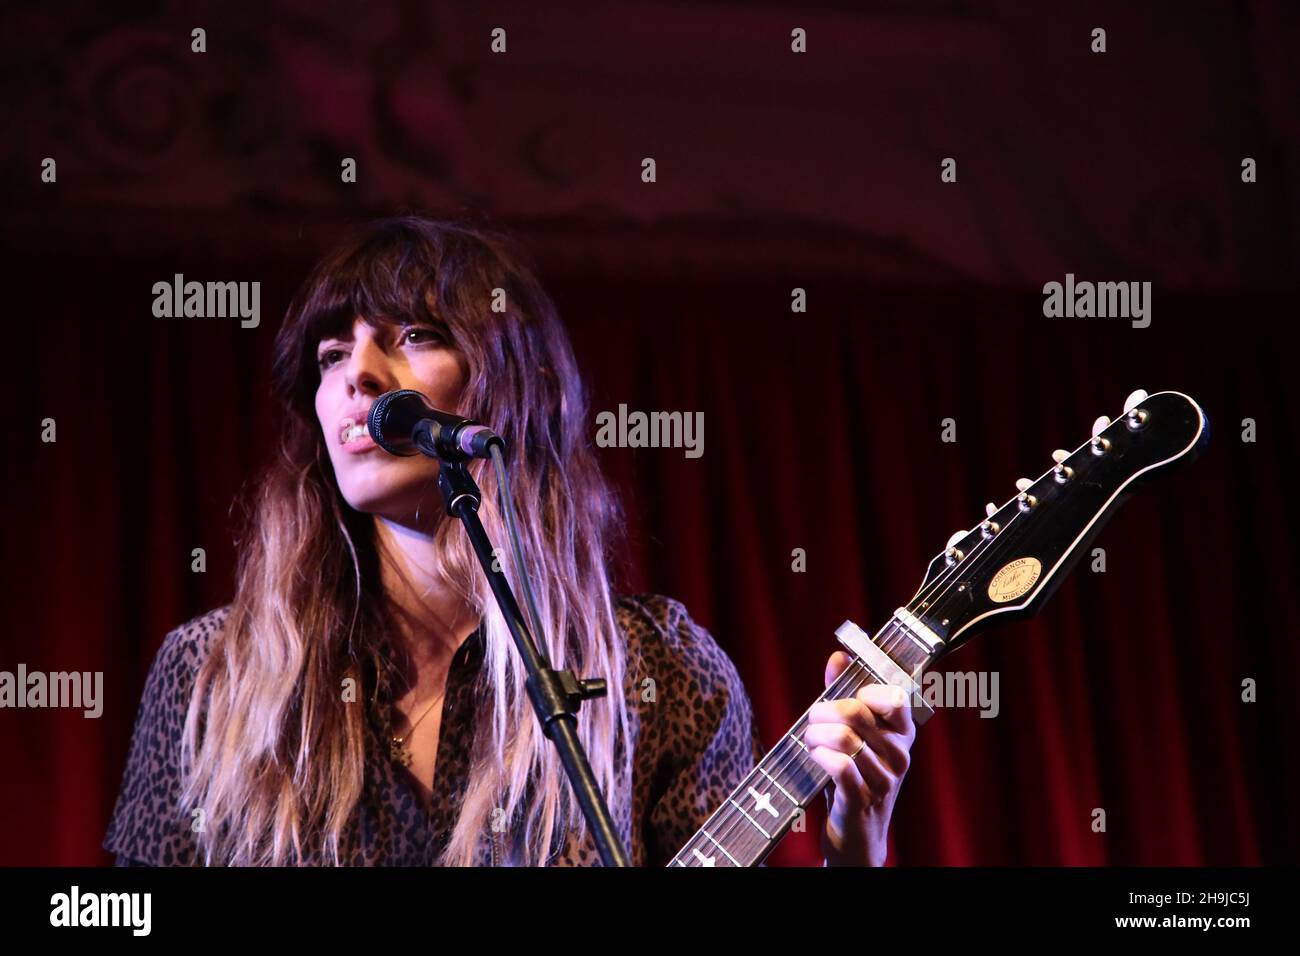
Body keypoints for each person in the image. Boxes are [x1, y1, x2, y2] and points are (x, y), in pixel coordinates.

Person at [103, 215, 915, 867]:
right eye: (331, 353)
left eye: (414, 335)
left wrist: (855, 842)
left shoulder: (659, 669)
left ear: (510, 388)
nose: (358, 374)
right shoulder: (212, 674)